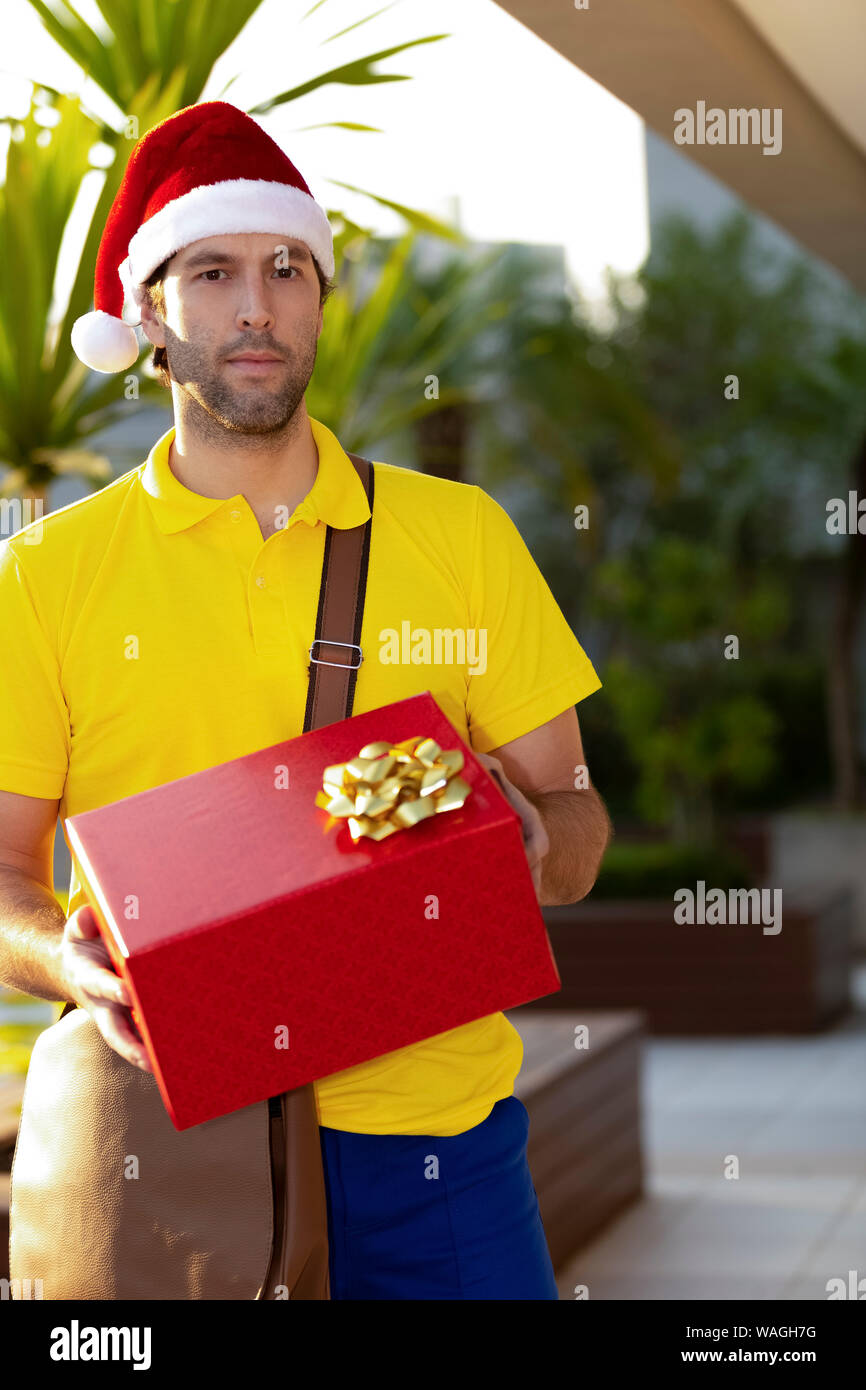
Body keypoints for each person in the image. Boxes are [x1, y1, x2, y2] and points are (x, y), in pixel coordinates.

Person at [0, 101, 611, 1300]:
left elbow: (581, 827)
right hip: (178, 1149)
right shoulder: (46, 576)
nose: (255, 305)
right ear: (147, 315)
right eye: (212, 270)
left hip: (439, 1154)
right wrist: (74, 964)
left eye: (286, 268)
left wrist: (534, 837)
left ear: (319, 298)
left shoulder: (460, 535)